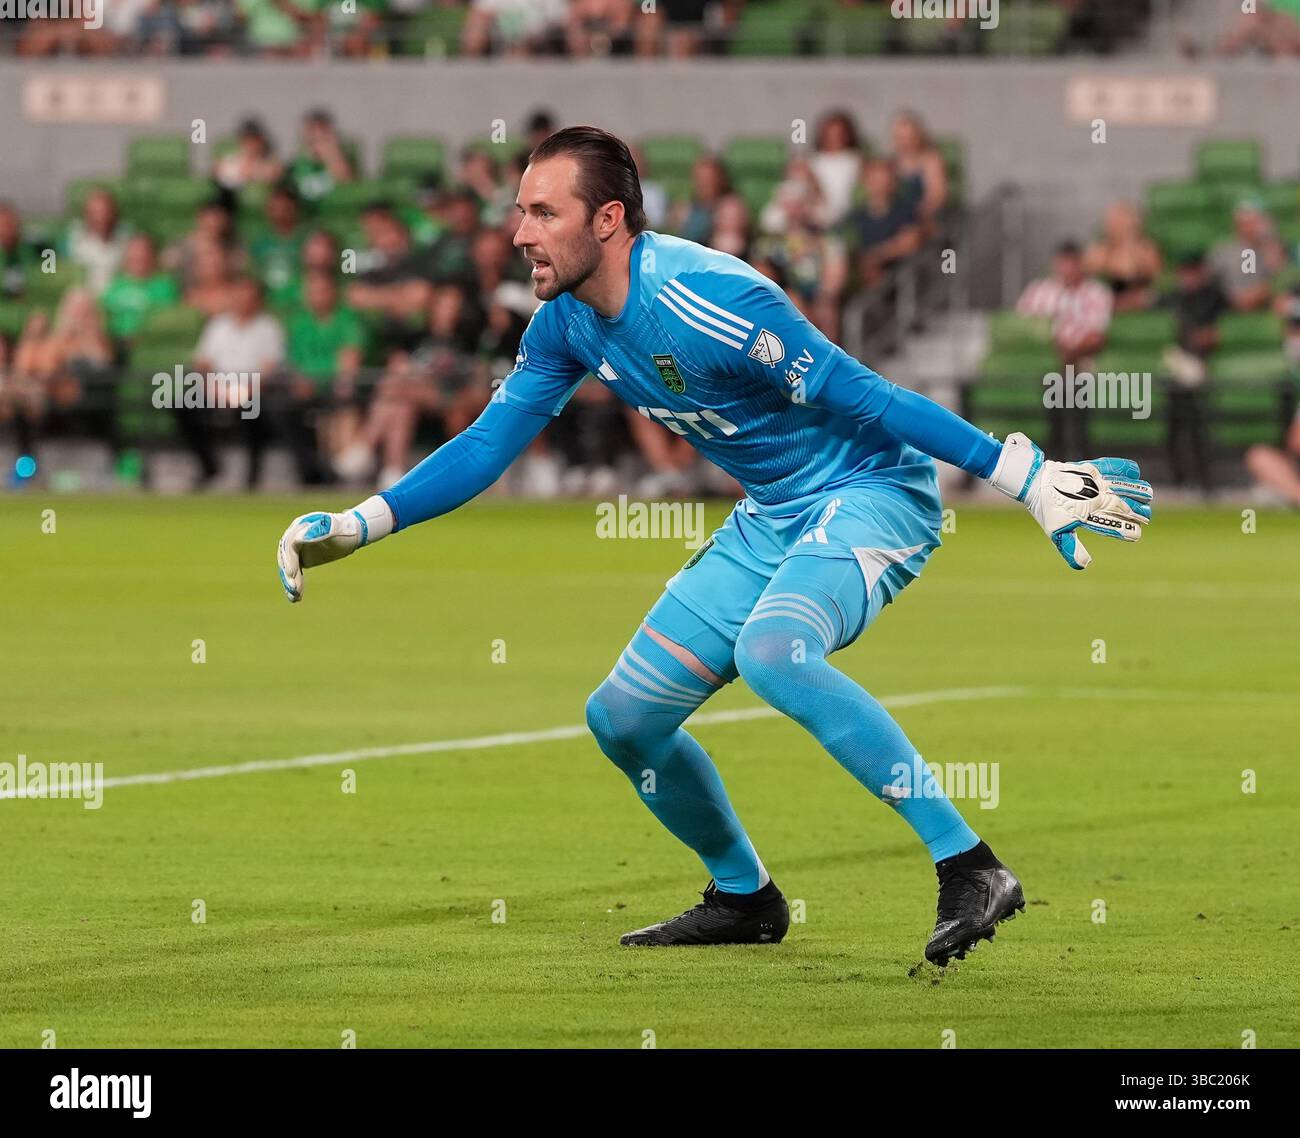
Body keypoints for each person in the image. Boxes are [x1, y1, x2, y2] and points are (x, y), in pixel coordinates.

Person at [276, 126, 1153, 966]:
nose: (518, 234)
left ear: (608, 219)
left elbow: (869, 395)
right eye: (520, 211)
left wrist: (1023, 474)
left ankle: (970, 865)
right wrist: (361, 524)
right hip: (774, 511)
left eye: (543, 213)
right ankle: (745, 899)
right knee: (621, 721)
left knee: (774, 653)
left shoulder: (711, 298)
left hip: (869, 494)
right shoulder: (564, 326)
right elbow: (483, 446)